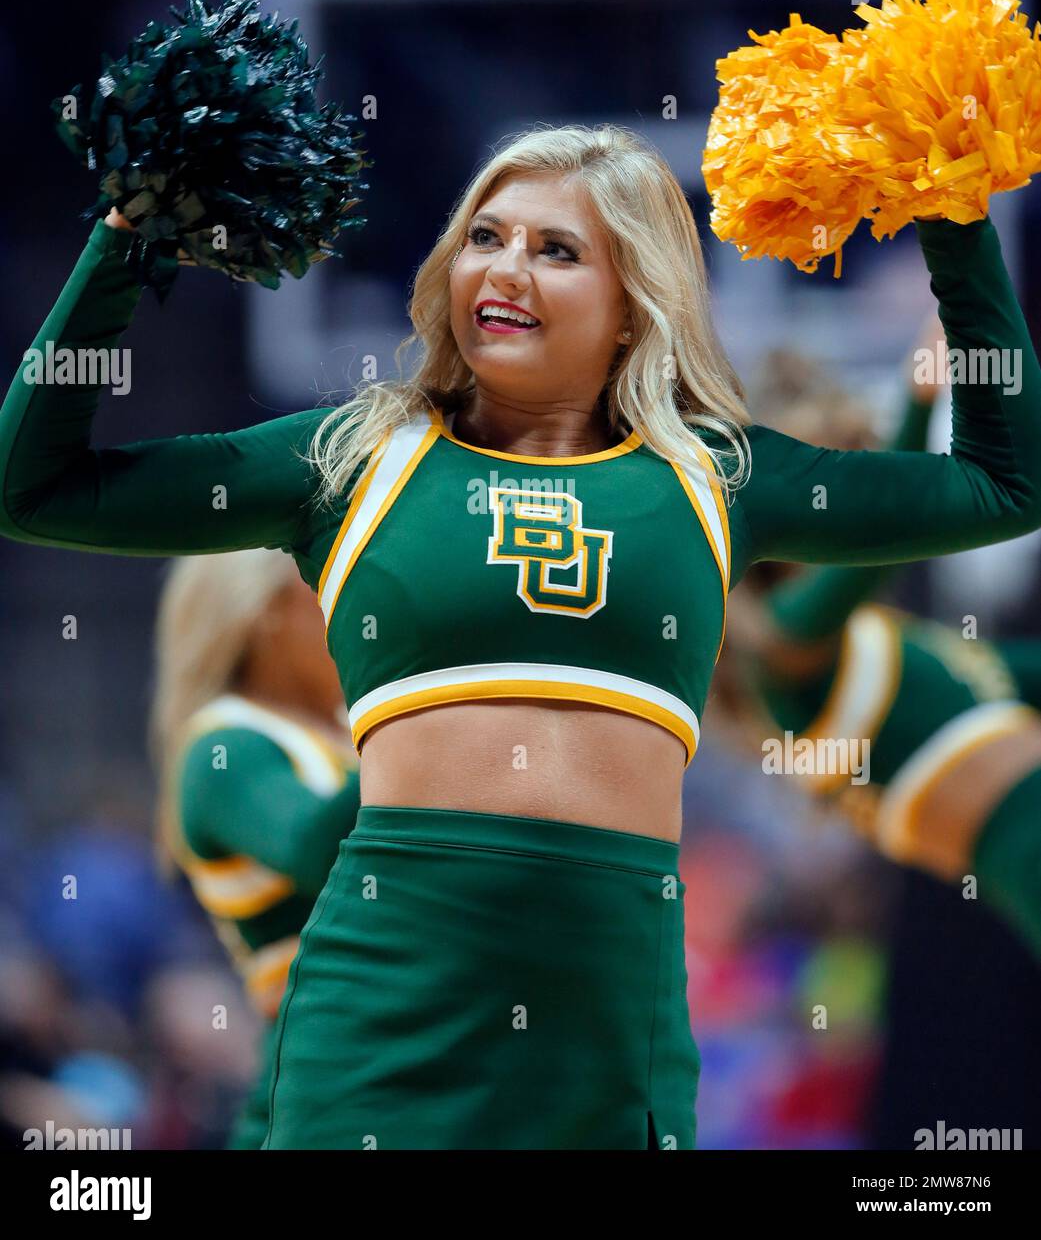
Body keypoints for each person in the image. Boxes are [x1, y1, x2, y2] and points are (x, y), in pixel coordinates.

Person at [2, 122, 1041, 1149]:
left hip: (611, 1047)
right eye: (486, 236)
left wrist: (952, 215)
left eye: (557, 249)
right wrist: (125, 241)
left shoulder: (716, 475)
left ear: (636, 302)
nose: (506, 267)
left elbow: (1006, 483)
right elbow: (32, 485)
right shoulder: (352, 458)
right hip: (384, 1032)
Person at [709, 332, 1041, 958]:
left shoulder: (881, 640)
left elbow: (1007, 677)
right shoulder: (784, 651)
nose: (858, 500)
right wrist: (919, 399)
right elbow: (886, 533)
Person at [151, 549, 360, 1147]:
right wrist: (423, 707)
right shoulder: (224, 746)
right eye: (329, 587)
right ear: (267, 611)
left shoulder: (351, 728)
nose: (355, 608)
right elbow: (322, 847)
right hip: (325, 1082)